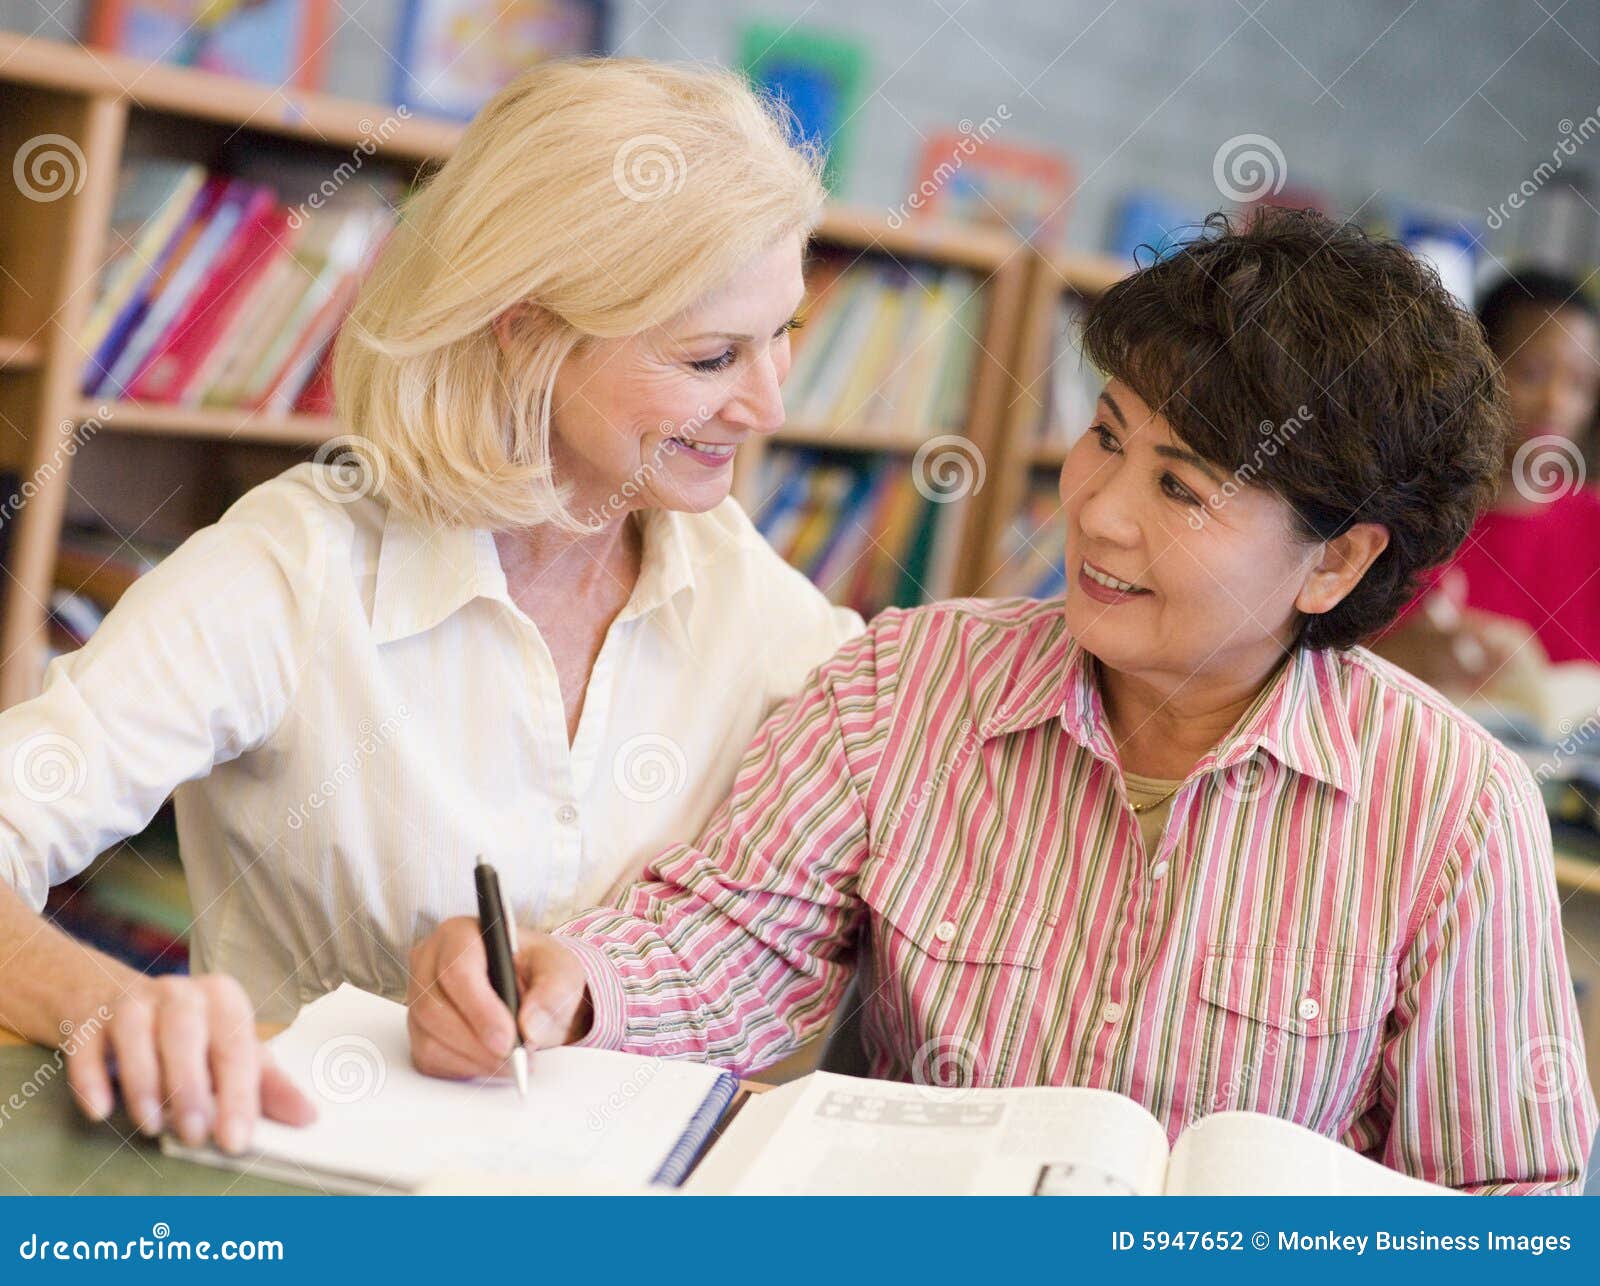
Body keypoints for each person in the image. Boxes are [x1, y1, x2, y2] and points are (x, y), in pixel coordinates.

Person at [410, 210, 1597, 1193]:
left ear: (1334, 561)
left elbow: (1512, 1198)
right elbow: (729, 936)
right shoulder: (901, 682)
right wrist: (568, 987)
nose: (1098, 509)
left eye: (1179, 485)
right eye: (1104, 436)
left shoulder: (1451, 805)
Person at [0, 59, 858, 1155]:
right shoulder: (294, 569)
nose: (769, 401)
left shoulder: (778, 621)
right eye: (709, 357)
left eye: (782, 332)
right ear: (524, 328)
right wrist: (104, 1000)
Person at [1374, 270, 1600, 694]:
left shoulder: (1593, 526)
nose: (1556, 402)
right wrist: (1399, 654)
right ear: (1480, 370)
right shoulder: (1413, 519)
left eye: (1579, 384)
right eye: (1532, 373)